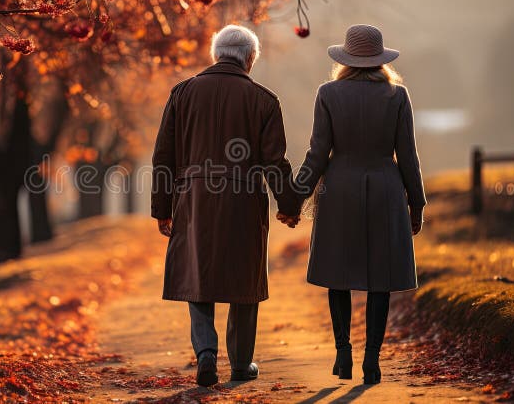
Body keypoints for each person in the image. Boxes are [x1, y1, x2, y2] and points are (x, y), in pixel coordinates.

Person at [151, 24, 302, 387]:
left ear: (216, 55)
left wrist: (162, 208)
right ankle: (240, 363)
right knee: (243, 279)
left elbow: (163, 156)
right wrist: (289, 204)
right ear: (250, 59)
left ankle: (206, 352)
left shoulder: (183, 93)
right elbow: (274, 162)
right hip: (244, 200)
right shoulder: (264, 100)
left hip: (193, 198)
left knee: (197, 274)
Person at [287, 24, 426, 385]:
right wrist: (417, 204)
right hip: (386, 189)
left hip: (340, 190)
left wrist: (295, 196)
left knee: (339, 274)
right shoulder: (397, 96)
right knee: (381, 279)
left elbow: (317, 154)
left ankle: (343, 352)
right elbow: (408, 156)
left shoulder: (328, 93)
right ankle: (372, 360)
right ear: (381, 60)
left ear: (345, 59)